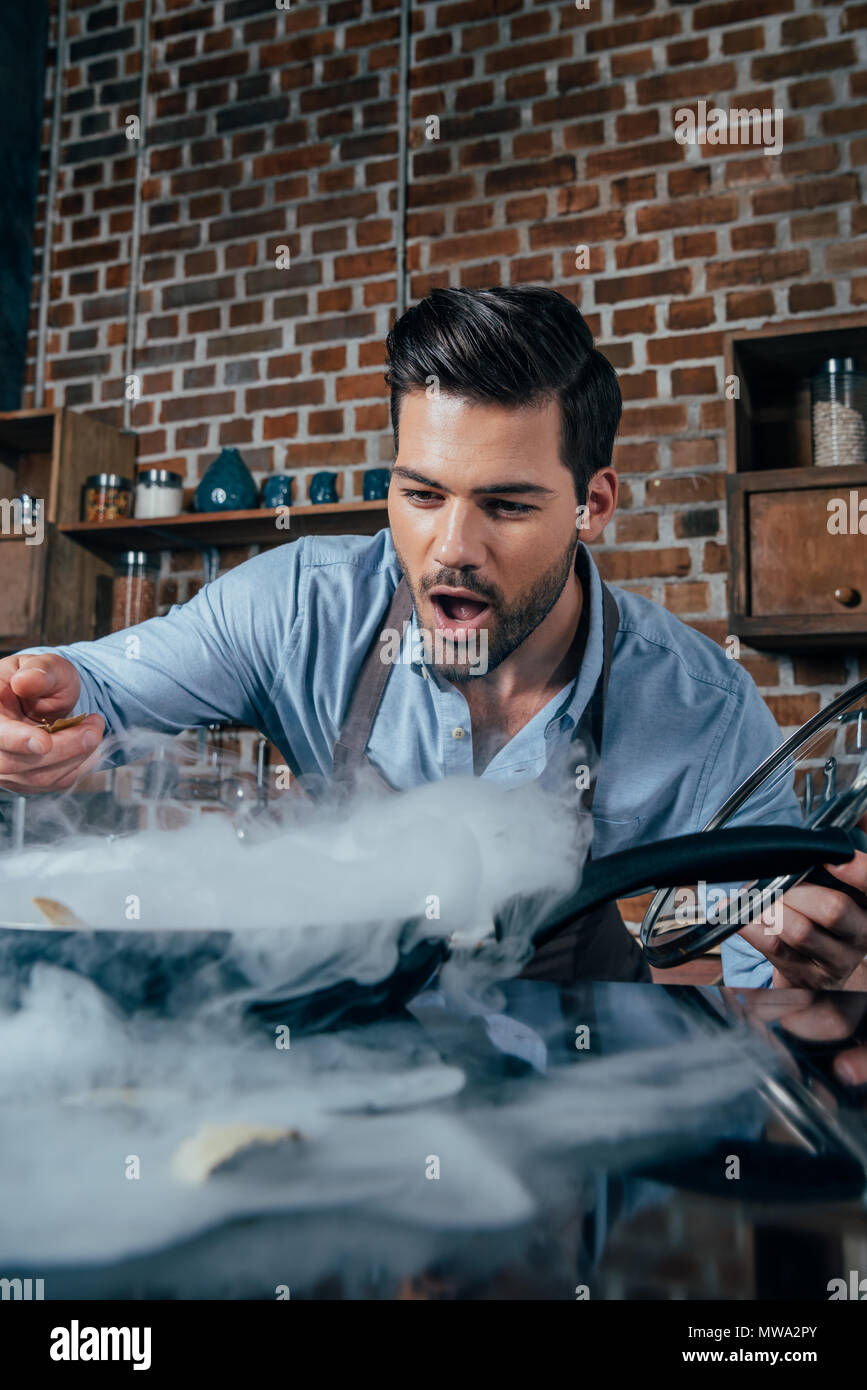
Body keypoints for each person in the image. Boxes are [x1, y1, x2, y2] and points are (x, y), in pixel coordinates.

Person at [2, 286, 865, 988]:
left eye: (506, 505)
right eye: (420, 496)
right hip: (346, 1072)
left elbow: (762, 972)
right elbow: (102, 686)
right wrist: (40, 696)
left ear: (592, 505)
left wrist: (806, 964)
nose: (450, 549)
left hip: (569, 1103)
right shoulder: (302, 606)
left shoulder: (701, 711)